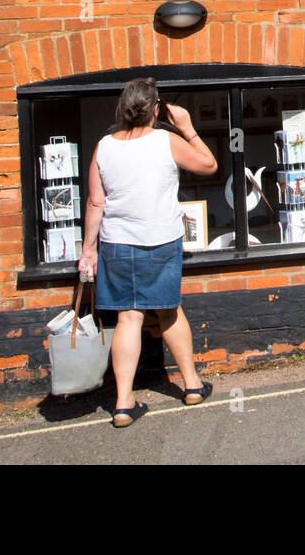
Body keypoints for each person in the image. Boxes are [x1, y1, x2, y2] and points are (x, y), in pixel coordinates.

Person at [78, 77, 218, 427]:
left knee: (128, 317)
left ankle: (124, 405)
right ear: (156, 109)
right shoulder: (166, 141)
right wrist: (187, 128)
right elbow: (209, 165)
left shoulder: (104, 146)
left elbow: (96, 201)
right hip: (159, 240)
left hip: (117, 244)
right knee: (168, 312)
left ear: (123, 108)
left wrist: (88, 250)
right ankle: (192, 386)